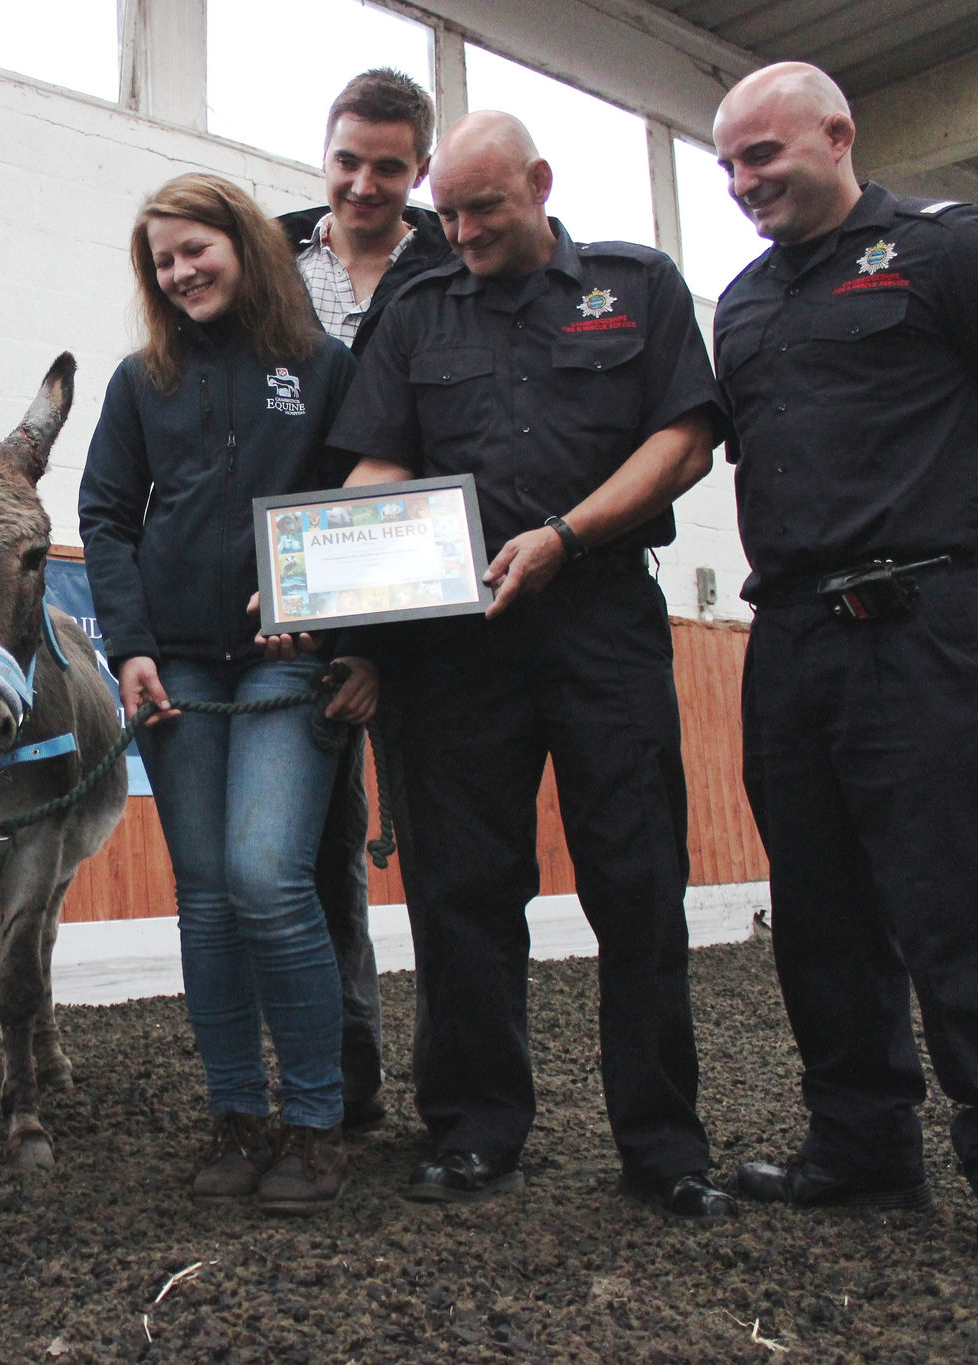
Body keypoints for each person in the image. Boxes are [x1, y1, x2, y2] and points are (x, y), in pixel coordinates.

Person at [710, 62, 978, 1263]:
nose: (741, 182)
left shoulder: (945, 250)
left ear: (836, 135)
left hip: (917, 625)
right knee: (816, 908)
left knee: (956, 899)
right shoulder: (740, 302)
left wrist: (977, 553)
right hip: (787, 638)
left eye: (761, 154)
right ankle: (860, 1146)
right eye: (724, 165)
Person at [318, 112, 734, 1222]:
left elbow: (684, 442)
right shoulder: (414, 311)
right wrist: (323, 572)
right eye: (446, 213)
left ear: (540, 184)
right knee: (461, 891)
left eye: (482, 209)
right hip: (455, 647)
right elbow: (378, 464)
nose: (459, 232)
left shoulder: (636, 288)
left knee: (637, 884)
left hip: (601, 619)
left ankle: (662, 1144)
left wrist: (564, 535)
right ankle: (474, 1130)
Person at [79, 172, 378, 1214]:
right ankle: (235, 1114)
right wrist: (129, 647)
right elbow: (106, 515)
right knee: (205, 895)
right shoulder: (139, 381)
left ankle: (315, 1121)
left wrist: (341, 630)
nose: (179, 272)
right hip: (178, 666)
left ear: (242, 243)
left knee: (265, 876)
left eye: (194, 249)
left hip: (289, 663)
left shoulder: (324, 367)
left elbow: (367, 504)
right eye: (161, 261)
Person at [276, 66, 456, 1134]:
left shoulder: (454, 267)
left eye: (388, 168)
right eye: (346, 160)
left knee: (442, 861)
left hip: (419, 606)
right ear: (325, 151)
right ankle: (344, 1082)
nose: (361, 185)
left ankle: (460, 1103)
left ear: (418, 170)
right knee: (312, 859)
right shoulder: (267, 259)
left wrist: (381, 640)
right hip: (293, 602)